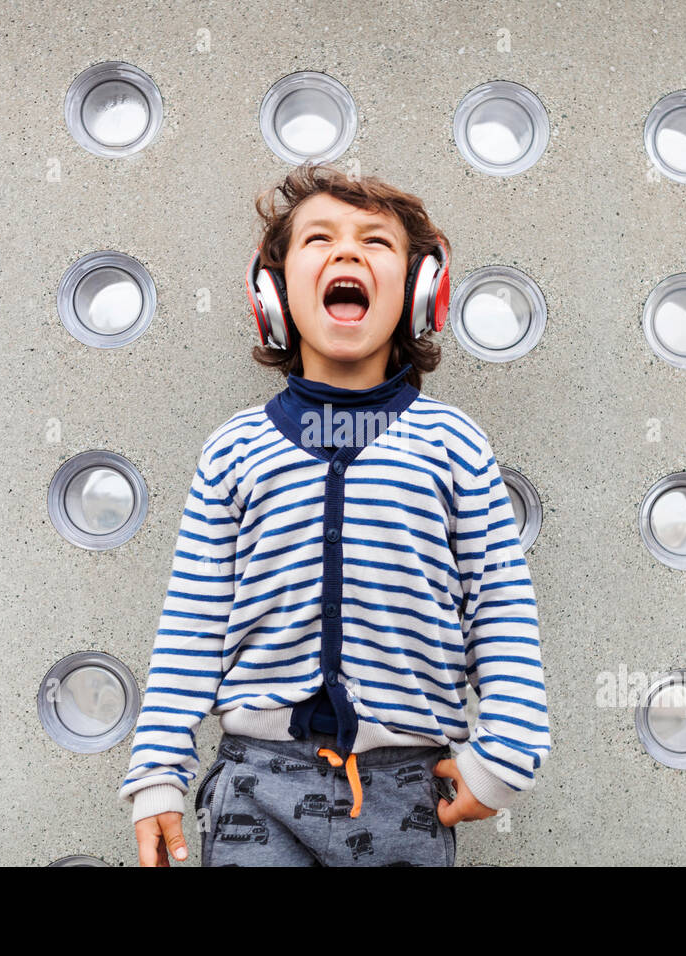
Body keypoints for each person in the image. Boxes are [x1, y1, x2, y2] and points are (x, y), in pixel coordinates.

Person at [119, 162, 550, 866]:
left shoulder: (455, 446)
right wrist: (158, 776)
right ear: (273, 291)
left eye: (376, 242)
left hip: (406, 791)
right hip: (256, 787)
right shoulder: (234, 450)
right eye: (318, 239)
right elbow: (191, 624)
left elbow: (501, 606)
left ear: (419, 292)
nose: (347, 251)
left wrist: (505, 753)